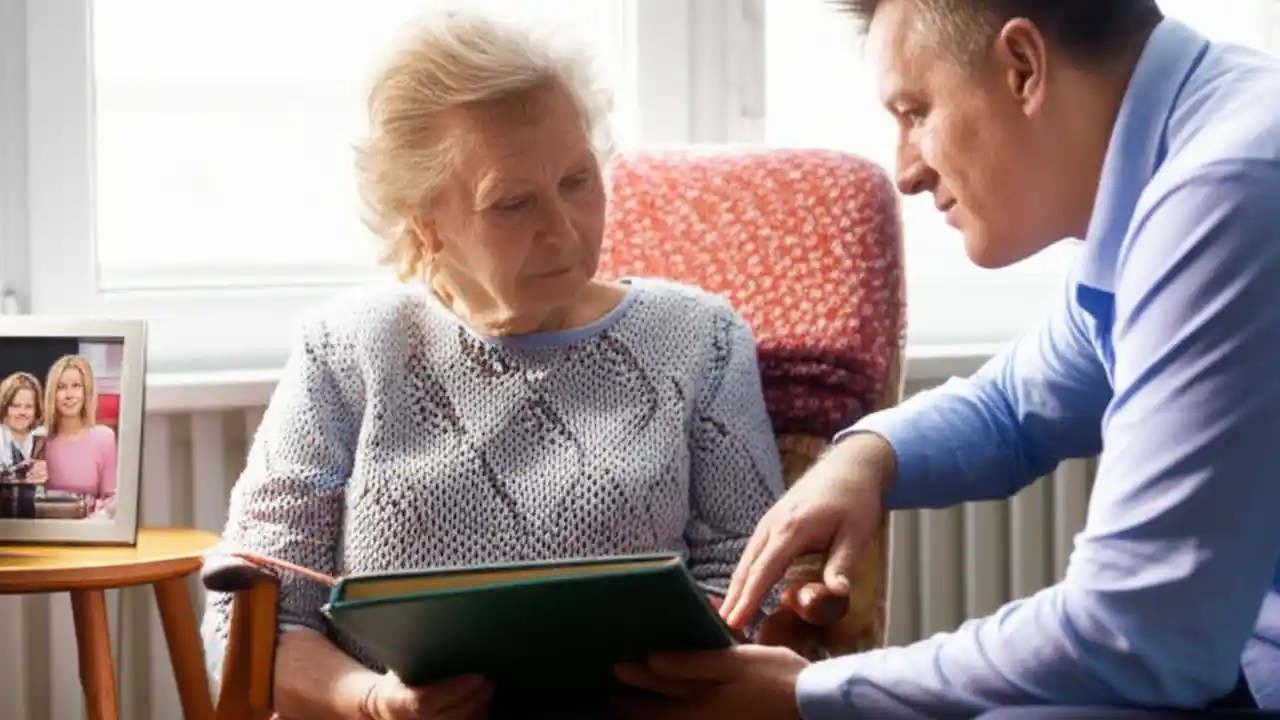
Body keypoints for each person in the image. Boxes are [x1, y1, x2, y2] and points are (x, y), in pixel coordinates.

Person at [612, 0, 1280, 718]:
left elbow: (1135, 633)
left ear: (1023, 68)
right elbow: (1018, 406)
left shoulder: (1226, 194)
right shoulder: (1183, 155)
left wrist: (806, 694)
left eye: (916, 110)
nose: (904, 171)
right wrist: (864, 459)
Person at [199, 11, 829, 720]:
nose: (563, 230)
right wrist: (375, 703)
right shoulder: (346, 349)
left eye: (578, 180)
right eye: (514, 202)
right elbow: (251, 612)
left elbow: (752, 576)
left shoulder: (698, 338)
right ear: (425, 220)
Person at [42, 355, 118, 519]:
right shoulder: (40, 439)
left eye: (76, 386)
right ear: (52, 394)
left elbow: (112, 498)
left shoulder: (104, 438)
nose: (69, 395)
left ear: (87, 392)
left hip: (91, 531)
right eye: (61, 387)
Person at [0, 372, 48, 518]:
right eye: (15, 406)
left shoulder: (44, 440)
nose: (22, 412)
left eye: (28, 406)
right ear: (4, 407)